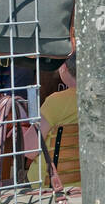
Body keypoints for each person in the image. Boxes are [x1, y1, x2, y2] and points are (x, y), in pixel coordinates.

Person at [24, 53, 80, 186]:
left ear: (63, 67)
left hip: (47, 186)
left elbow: (29, 150)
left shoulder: (57, 101)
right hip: (85, 185)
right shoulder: (100, 99)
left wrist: (20, 134)